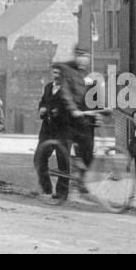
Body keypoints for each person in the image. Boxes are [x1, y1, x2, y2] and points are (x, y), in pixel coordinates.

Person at [55, 47, 95, 200]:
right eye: (83, 56)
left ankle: (81, 181)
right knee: (64, 155)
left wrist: (102, 110)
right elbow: (65, 93)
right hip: (67, 119)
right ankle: (61, 191)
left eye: (87, 57)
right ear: (77, 58)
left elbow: (93, 97)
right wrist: (73, 109)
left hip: (81, 120)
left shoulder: (88, 76)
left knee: (88, 152)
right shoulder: (68, 72)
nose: (85, 60)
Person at [34, 61, 69, 199]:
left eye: (60, 73)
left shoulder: (68, 90)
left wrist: (53, 111)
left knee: (63, 162)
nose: (57, 76)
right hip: (47, 130)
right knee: (39, 158)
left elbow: (66, 109)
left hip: (62, 130)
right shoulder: (48, 87)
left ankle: (61, 193)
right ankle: (47, 189)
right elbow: (43, 101)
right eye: (55, 73)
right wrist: (41, 108)